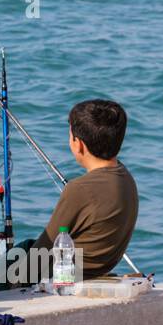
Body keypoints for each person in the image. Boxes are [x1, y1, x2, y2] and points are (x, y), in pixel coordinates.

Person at [21, 99, 138, 280]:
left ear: (79, 144)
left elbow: (41, 251)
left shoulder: (79, 189)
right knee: (25, 247)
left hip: (62, 276)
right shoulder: (126, 178)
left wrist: (12, 282)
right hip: (98, 269)